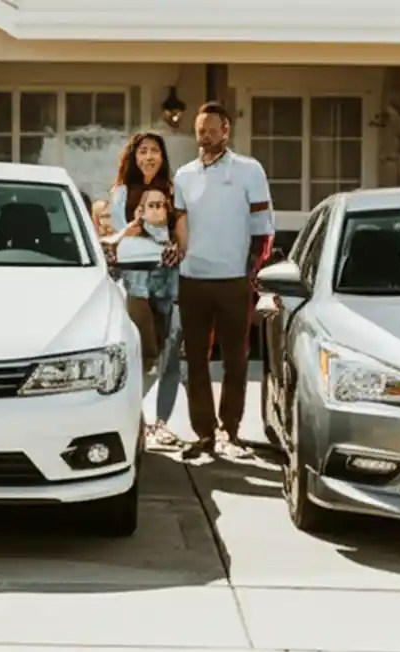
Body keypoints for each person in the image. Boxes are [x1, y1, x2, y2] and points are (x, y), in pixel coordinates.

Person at [171, 102, 275, 459]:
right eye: (200, 131)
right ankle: (204, 432)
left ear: (226, 131)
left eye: (212, 130)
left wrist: (253, 270)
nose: (205, 137)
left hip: (234, 280)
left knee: (236, 358)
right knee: (195, 358)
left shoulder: (249, 170)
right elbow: (178, 226)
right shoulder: (183, 176)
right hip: (192, 279)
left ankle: (231, 429)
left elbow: (263, 227)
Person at [105, 132, 188, 447]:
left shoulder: (174, 190)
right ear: (133, 156)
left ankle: (161, 423)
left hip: (169, 280)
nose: (149, 156)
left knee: (169, 357)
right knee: (142, 353)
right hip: (135, 281)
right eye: (143, 151)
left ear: (162, 157)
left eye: (155, 151)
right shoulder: (121, 193)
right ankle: (132, 419)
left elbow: (182, 236)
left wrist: (177, 248)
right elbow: (121, 237)